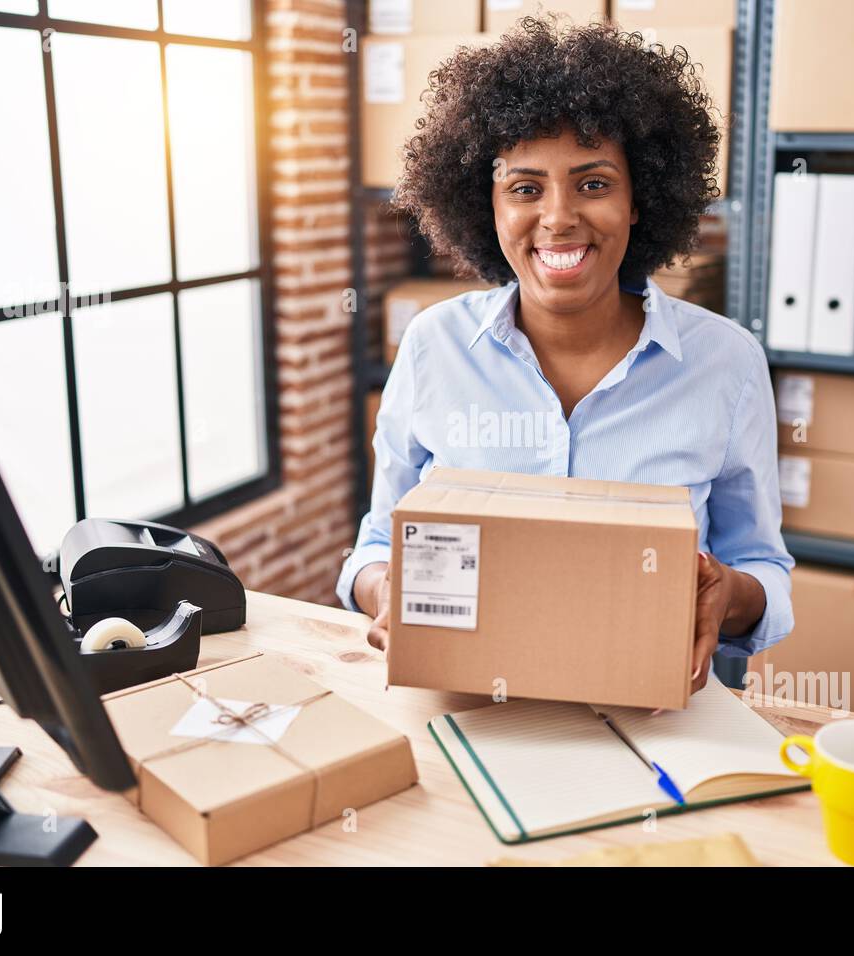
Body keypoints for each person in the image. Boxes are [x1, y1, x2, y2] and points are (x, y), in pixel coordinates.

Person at [337, 17, 794, 695]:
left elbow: (763, 565)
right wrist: (386, 593)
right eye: (525, 189)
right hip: (465, 702)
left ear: (639, 199)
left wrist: (728, 593)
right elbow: (375, 547)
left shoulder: (725, 362)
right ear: (485, 207)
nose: (558, 217)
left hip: (651, 716)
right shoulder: (435, 348)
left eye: (593, 184)